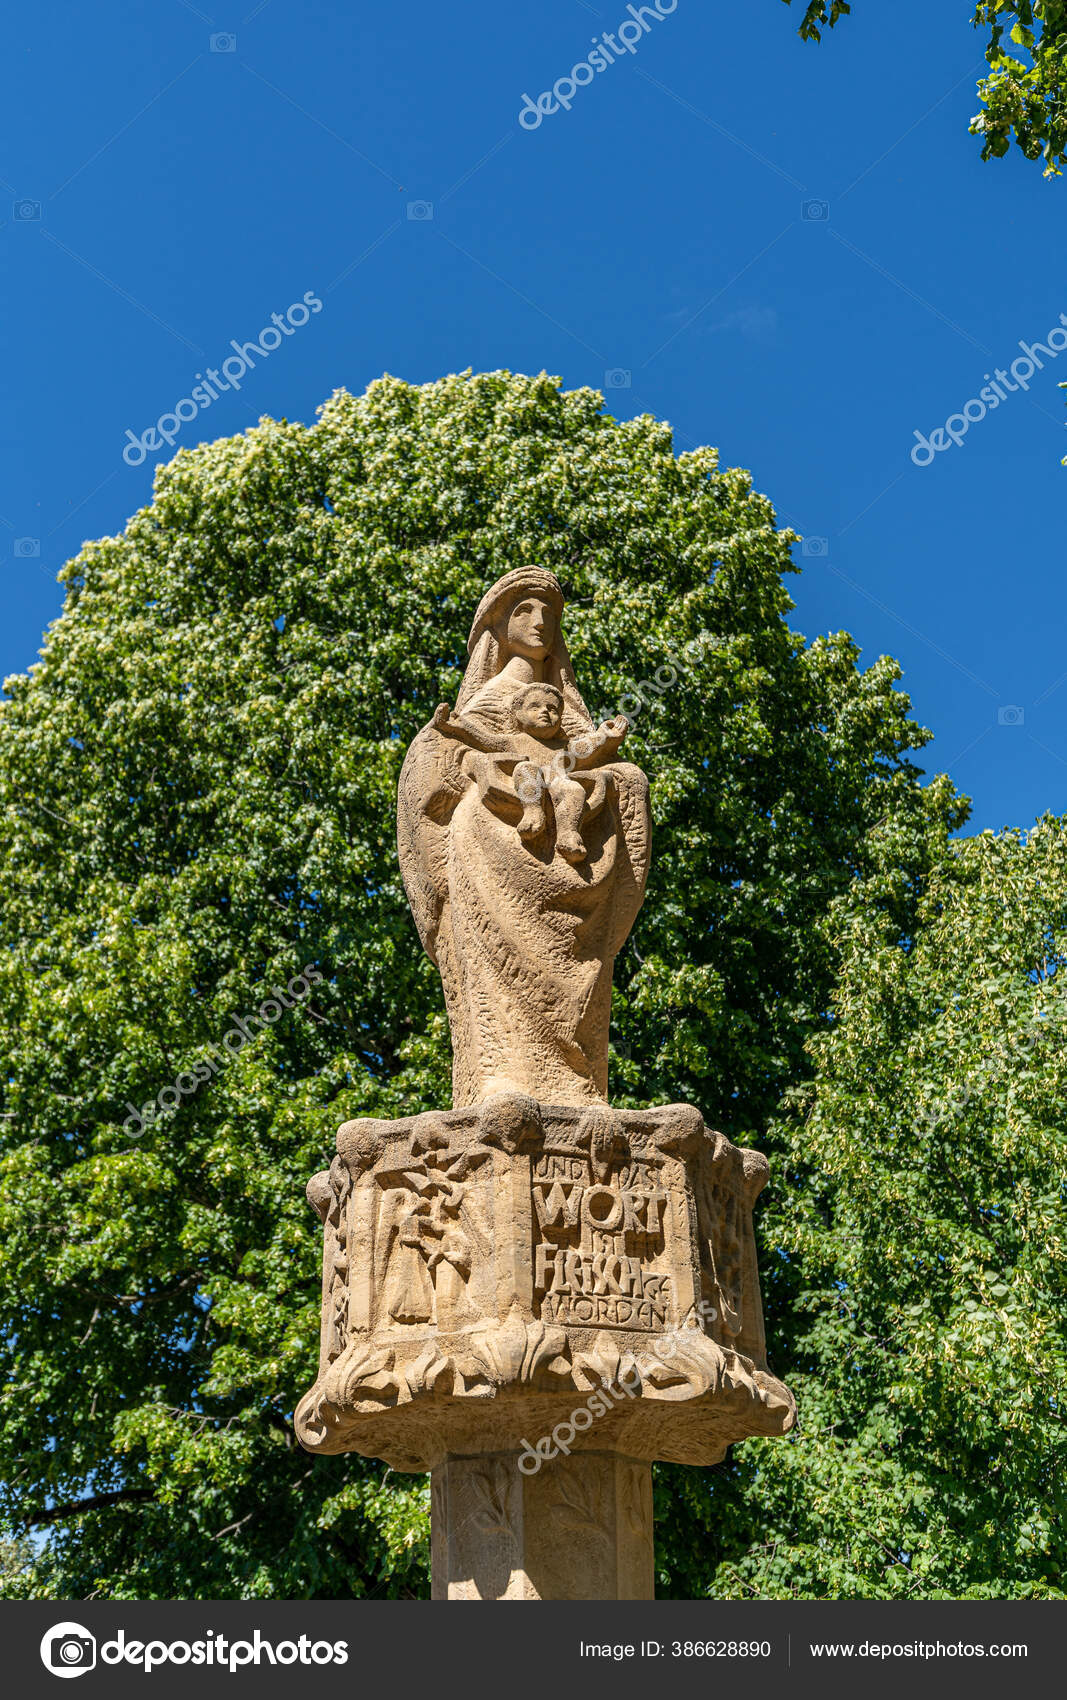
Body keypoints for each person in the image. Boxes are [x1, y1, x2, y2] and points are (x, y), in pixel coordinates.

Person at [431, 681, 629, 862]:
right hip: (529, 779)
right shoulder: (515, 741)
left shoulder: (564, 746)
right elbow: (486, 739)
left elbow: (586, 748)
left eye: (552, 709)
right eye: (535, 707)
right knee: (526, 769)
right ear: (518, 714)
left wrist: (604, 736)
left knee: (574, 790)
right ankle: (533, 812)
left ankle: (568, 835)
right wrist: (458, 726)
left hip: (557, 780)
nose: (544, 712)